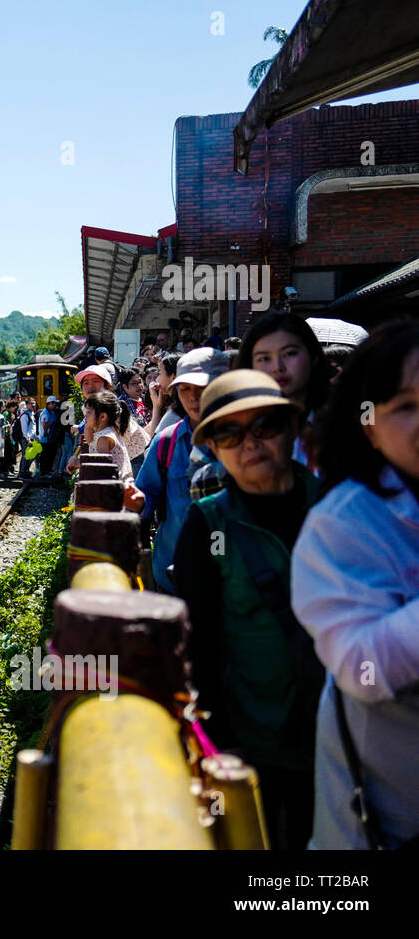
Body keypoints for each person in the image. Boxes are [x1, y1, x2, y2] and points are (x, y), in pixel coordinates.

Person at [174, 369, 322, 849]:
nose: (250, 442)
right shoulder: (207, 522)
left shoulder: (339, 508)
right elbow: (199, 636)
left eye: (265, 426)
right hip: (250, 733)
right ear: (213, 448)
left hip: (343, 733)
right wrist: (217, 735)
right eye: (230, 433)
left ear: (291, 429)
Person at [292, 322, 419, 849]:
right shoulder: (344, 521)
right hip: (383, 823)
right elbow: (361, 667)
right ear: (368, 424)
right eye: (407, 405)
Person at [134, 346, 225, 592]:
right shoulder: (166, 441)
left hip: (232, 579)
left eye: (202, 388)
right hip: (171, 573)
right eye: (185, 389)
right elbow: (146, 495)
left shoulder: (243, 441)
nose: (193, 397)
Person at [238, 312, 332, 468]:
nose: (278, 367)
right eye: (264, 358)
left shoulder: (344, 419)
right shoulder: (236, 425)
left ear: (313, 357)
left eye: (290, 354)